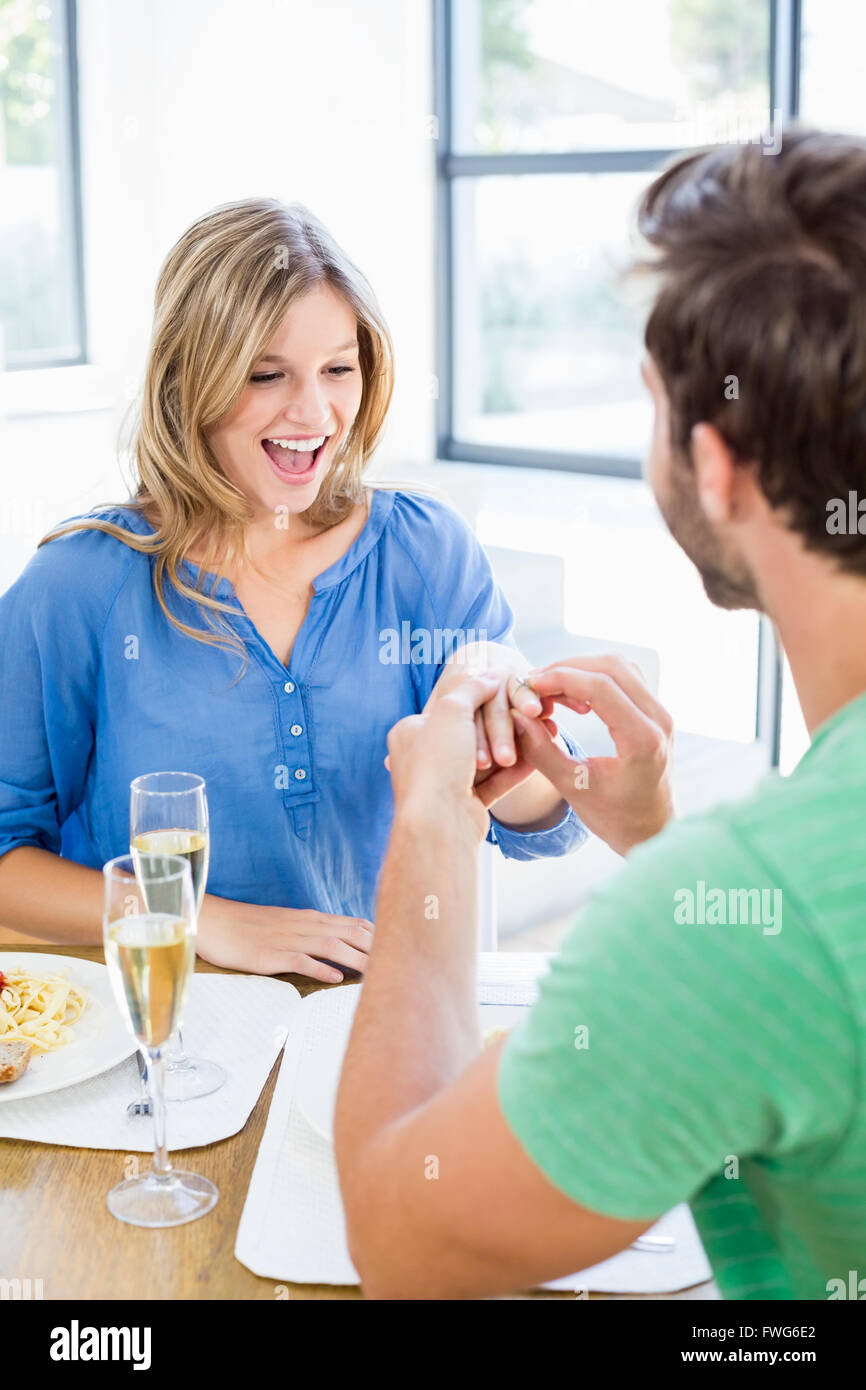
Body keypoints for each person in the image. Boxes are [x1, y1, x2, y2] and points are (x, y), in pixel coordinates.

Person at [334, 128, 866, 1300]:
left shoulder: (745, 921)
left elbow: (398, 1228)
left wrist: (429, 828)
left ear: (714, 465)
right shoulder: (763, 906)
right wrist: (665, 844)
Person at [0, 199, 586, 978]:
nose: (314, 413)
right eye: (266, 376)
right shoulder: (81, 584)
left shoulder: (425, 551)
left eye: (338, 369)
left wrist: (509, 752)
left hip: (381, 1023)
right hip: (175, 1030)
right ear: (188, 382)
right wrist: (202, 919)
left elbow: (539, 826)